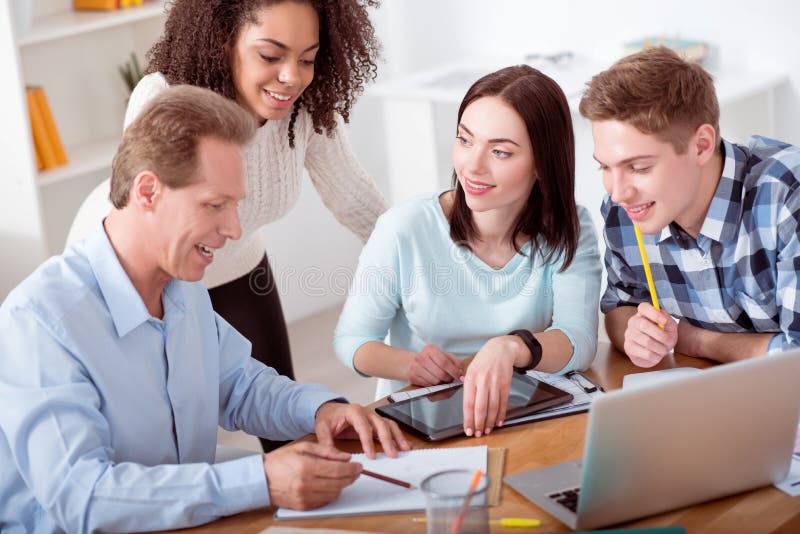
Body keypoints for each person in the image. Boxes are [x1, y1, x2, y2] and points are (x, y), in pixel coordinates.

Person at [0, 86, 409, 533]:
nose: (233, 228)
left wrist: (320, 411)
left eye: (234, 205)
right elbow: (81, 497)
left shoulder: (181, 287)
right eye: (215, 205)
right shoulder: (40, 320)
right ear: (148, 191)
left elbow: (237, 385)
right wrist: (260, 479)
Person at [67, 0, 388, 451]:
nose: (292, 76)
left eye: (308, 58)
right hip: (146, 269)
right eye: (270, 56)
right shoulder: (165, 96)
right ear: (224, 40)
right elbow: (146, 217)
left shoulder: (303, 107)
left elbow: (354, 197)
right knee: (151, 434)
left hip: (236, 263)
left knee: (286, 422)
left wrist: (423, 258)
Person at [334, 66, 601, 438]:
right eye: (465, 140)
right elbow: (352, 341)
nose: (472, 166)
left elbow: (580, 339)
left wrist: (510, 348)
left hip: (525, 412)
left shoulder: (571, 226)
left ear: (542, 163)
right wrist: (409, 365)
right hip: (423, 420)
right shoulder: (403, 228)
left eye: (500, 152)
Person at [579, 46, 800, 368]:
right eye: (605, 167)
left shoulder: (787, 194)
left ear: (701, 146)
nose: (618, 193)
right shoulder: (625, 211)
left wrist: (697, 340)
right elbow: (620, 305)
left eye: (639, 167)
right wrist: (633, 332)